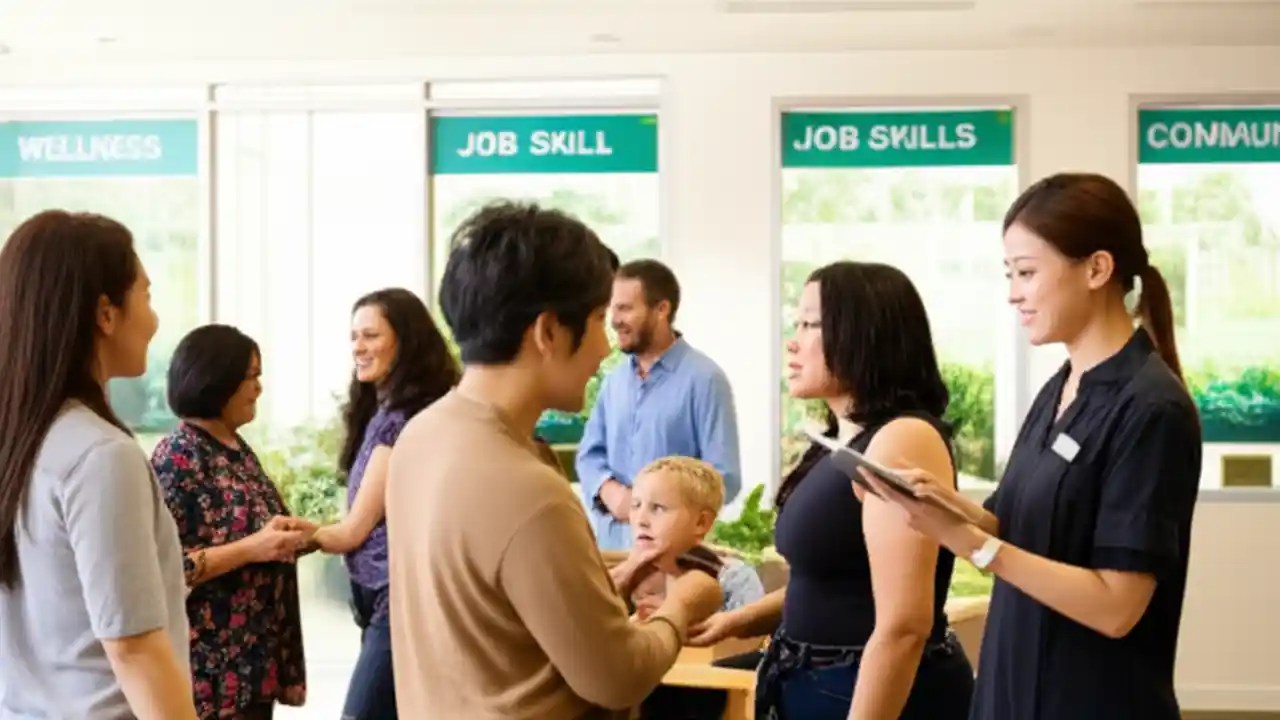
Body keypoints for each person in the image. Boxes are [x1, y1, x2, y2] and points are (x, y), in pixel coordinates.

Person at [867, 172, 1202, 720]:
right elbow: (1014, 522)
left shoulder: (1151, 409)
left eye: (1026, 272)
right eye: (1009, 274)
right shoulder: (1062, 385)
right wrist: (943, 503)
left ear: (1097, 268)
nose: (1013, 293)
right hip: (1011, 689)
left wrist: (975, 547)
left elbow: (1117, 606)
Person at [385, 201, 724, 719]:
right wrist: (685, 605)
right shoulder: (529, 491)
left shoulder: (421, 437)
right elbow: (616, 677)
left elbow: (488, 619)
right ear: (548, 332)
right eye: (595, 322)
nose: (606, 348)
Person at [689, 261, 975, 719]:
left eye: (809, 324)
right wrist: (736, 620)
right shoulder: (841, 441)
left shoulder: (901, 439)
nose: (793, 341)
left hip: (865, 690)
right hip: (816, 682)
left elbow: (904, 625)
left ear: (864, 334)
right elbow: (836, 584)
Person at [0, 210, 196, 719]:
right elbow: (134, 649)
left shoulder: (23, 445)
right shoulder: (99, 456)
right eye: (146, 296)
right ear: (105, 313)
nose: (153, 319)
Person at [305, 287, 460, 720]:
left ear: (406, 342)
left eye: (371, 335)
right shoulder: (381, 410)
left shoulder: (407, 419)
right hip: (376, 594)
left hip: (401, 597)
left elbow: (354, 529)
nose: (358, 347)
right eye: (354, 336)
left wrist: (292, 536)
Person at [151, 324, 308, 719]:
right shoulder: (177, 457)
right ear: (216, 378)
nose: (258, 388)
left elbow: (263, 533)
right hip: (211, 677)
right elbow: (167, 567)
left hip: (253, 667)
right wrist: (255, 547)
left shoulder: (236, 448)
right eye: (250, 377)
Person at [577, 259, 742, 551]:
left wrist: (653, 507)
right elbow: (589, 454)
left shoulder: (705, 380)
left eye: (626, 308)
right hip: (610, 553)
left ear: (661, 310)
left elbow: (724, 477)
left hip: (674, 562)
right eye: (613, 308)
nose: (614, 319)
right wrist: (611, 492)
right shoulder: (613, 381)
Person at [624, 456, 764, 621]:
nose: (641, 520)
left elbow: (751, 641)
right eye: (635, 506)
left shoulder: (735, 579)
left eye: (658, 508)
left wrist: (674, 618)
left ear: (701, 522)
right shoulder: (629, 577)